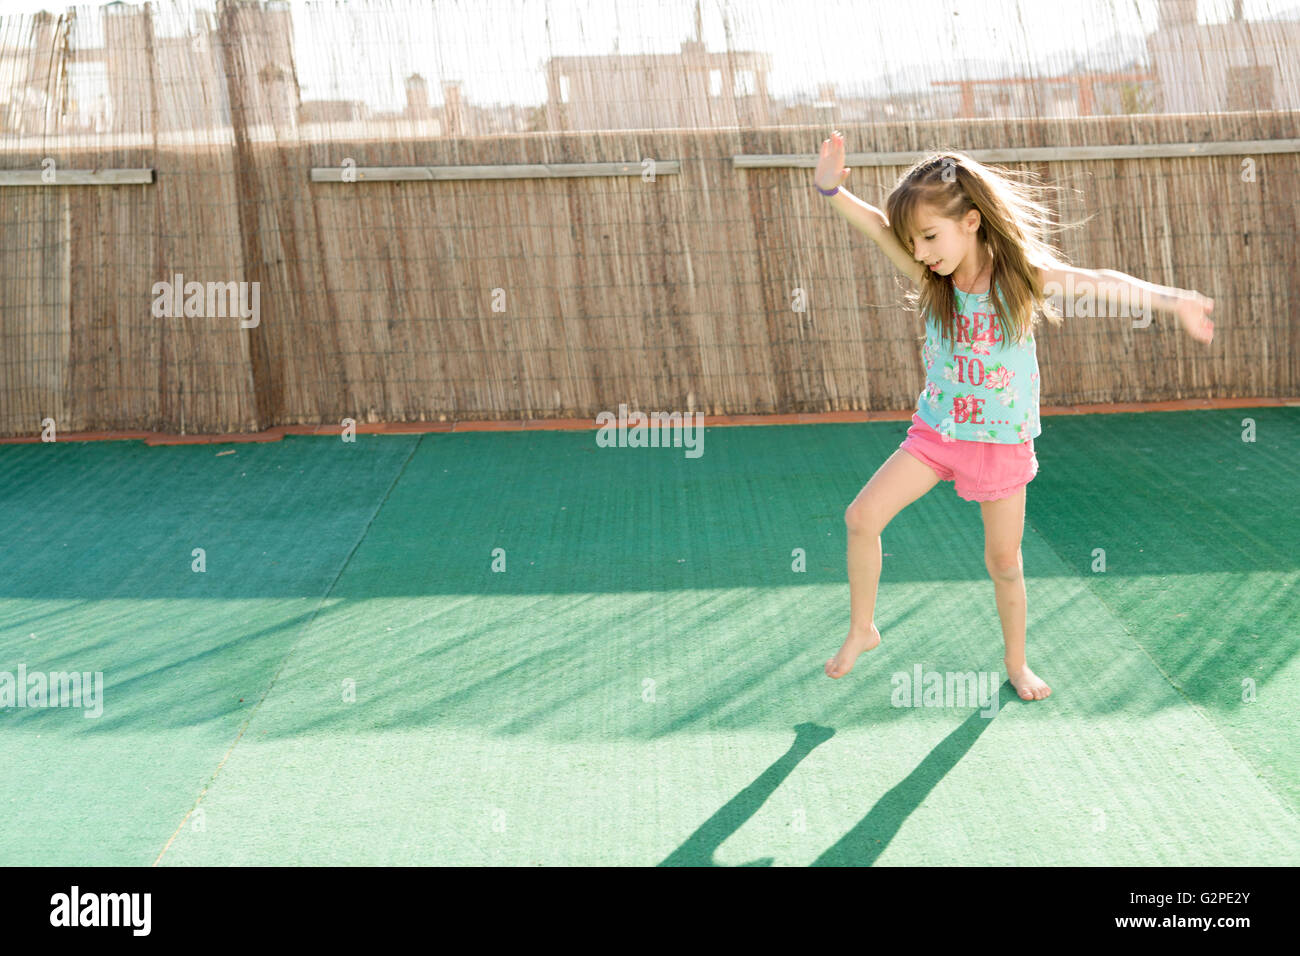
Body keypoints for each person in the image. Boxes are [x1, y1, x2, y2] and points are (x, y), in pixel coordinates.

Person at [812, 131, 1215, 701]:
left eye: (930, 236)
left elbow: (1099, 282)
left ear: (972, 221)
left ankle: (1018, 663)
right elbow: (878, 226)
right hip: (937, 434)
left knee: (1003, 562)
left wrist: (1174, 301)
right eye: (915, 241)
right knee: (861, 517)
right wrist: (830, 189)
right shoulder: (934, 282)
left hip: (1000, 442)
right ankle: (863, 628)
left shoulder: (1019, 278)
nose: (922, 251)